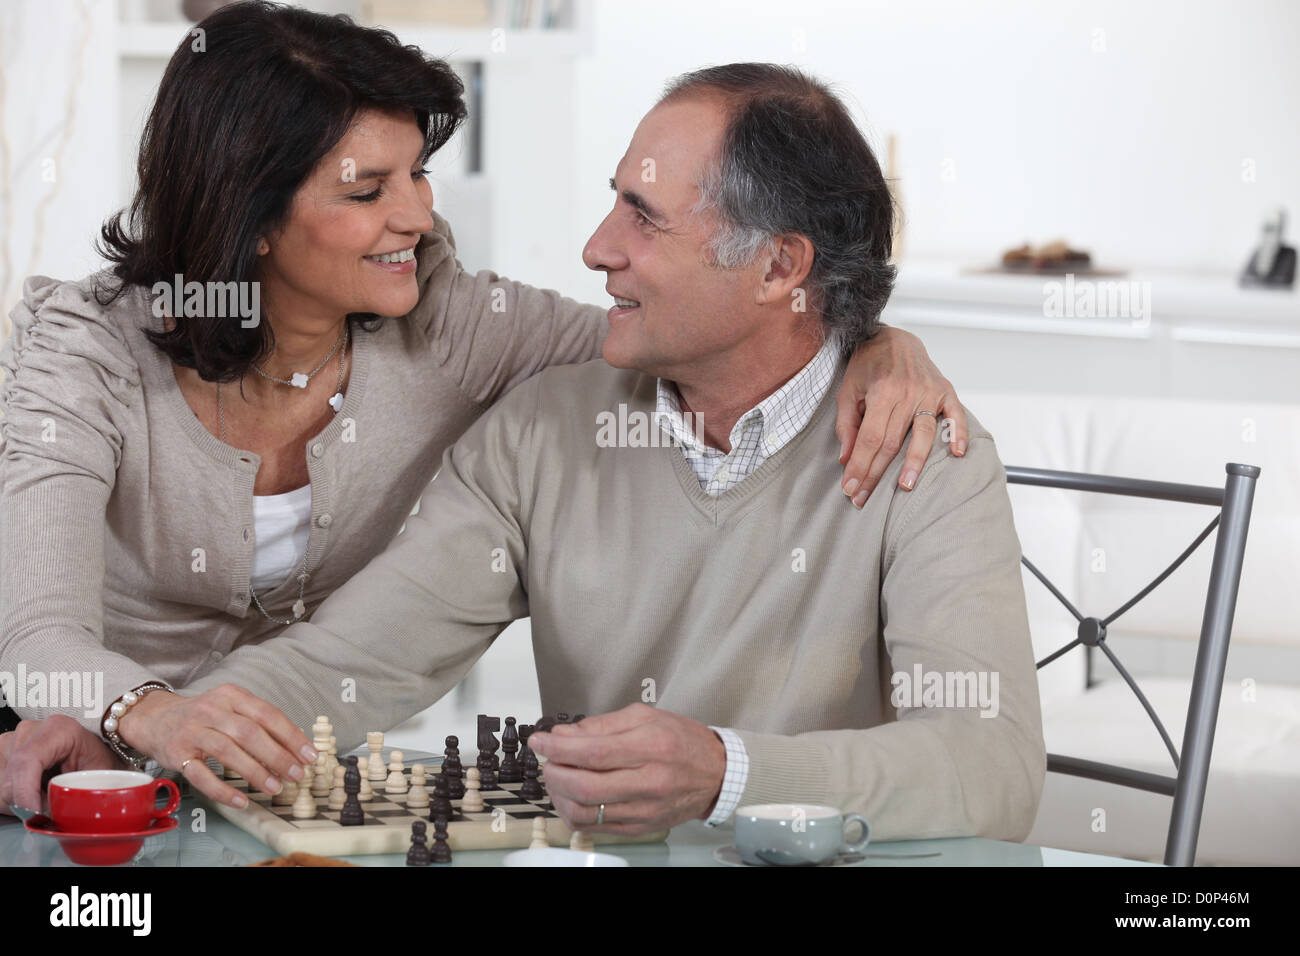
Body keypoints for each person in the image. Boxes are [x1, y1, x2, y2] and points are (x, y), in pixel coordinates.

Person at [0, 4, 967, 812]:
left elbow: (695, 336)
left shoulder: (451, 325)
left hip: (260, 763)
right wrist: (143, 721)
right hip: (65, 741)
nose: (418, 215)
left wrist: (870, 340)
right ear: (249, 219)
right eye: (368, 189)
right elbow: (32, 634)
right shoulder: (81, 350)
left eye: (416, 173)